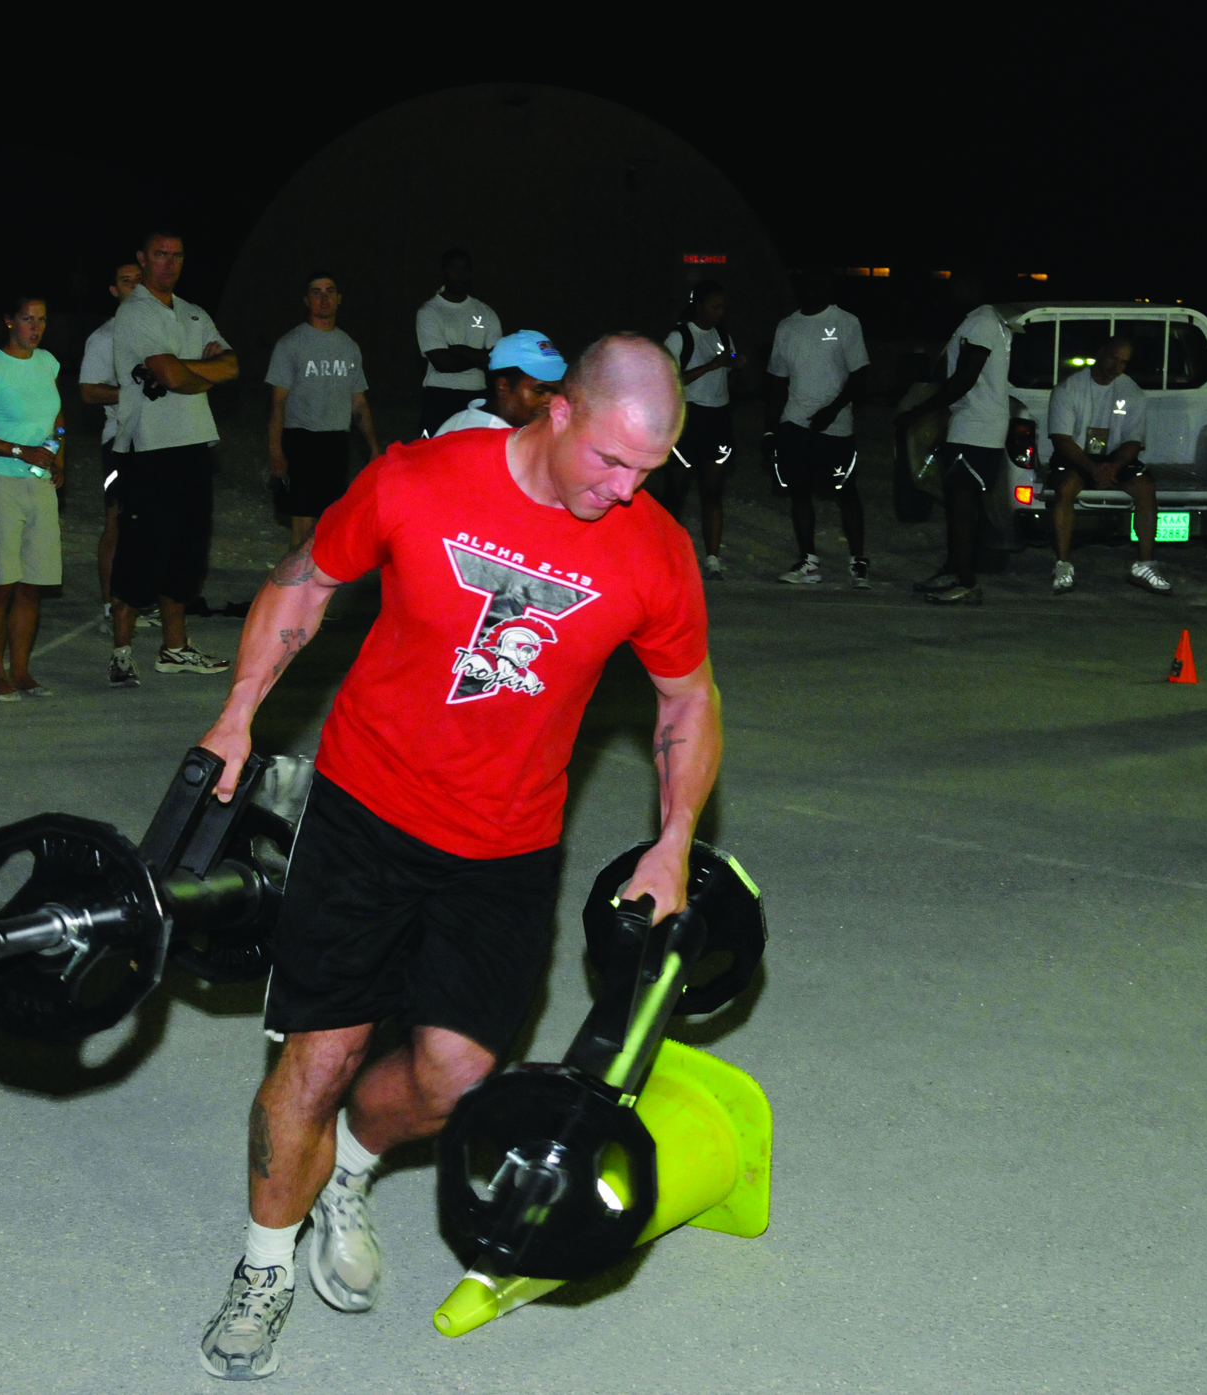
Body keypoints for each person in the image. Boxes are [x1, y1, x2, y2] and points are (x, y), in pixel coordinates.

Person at [189, 333, 718, 1380]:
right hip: (363, 816)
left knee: (456, 1077)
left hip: (507, 847)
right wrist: (239, 714)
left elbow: (687, 700)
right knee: (321, 1056)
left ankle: (347, 1168)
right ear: (555, 411)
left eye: (647, 473)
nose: (623, 492)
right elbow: (303, 585)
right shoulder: (419, 480)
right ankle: (264, 1262)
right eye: (610, 462)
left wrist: (673, 842)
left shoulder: (651, 549)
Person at [108, 230, 238, 679]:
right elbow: (172, 376)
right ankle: (121, 653)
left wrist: (184, 371)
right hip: (150, 449)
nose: (169, 263)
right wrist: (194, 372)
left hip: (194, 445)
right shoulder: (135, 312)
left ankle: (175, 647)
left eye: (177, 256)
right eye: (160, 255)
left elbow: (232, 366)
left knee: (186, 552)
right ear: (142, 258)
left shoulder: (193, 312)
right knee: (141, 550)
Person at [0, 295, 65, 701]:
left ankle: (21, 671)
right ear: (9, 321)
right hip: (1, 484)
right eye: (26, 319)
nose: (34, 328)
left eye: (41, 319)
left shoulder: (48, 363)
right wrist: (19, 450)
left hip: (39, 484)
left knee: (32, 584)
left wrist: (57, 456)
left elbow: (56, 418)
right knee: (0, 584)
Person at [897, 300, 1014, 605]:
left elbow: (965, 377)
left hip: (977, 427)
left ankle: (966, 582)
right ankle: (954, 570)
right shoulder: (980, 320)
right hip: (971, 425)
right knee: (958, 503)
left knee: (963, 505)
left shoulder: (983, 322)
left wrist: (920, 410)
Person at [767, 272, 872, 586]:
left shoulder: (846, 322)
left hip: (835, 424)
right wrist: (770, 431)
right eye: (806, 283)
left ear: (827, 287)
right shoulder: (787, 326)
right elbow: (776, 380)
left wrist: (833, 409)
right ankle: (808, 563)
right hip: (796, 421)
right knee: (800, 491)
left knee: (845, 491)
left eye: (817, 283)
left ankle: (858, 562)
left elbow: (860, 375)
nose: (811, 288)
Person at [1047, 335, 1170, 595]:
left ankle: (1144, 565)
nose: (1117, 367)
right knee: (1066, 487)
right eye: (1113, 358)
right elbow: (1061, 439)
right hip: (1076, 456)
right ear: (1101, 352)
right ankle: (1063, 565)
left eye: (1124, 363)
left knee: (1146, 487)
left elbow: (1133, 441)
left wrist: (1113, 466)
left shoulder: (1132, 392)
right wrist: (1091, 468)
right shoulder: (1069, 388)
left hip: (1114, 458)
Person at [265, 274, 378, 547]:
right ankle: (293, 587)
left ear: (339, 299)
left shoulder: (349, 346)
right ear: (306, 300)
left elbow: (359, 402)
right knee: (303, 527)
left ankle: (315, 588)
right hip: (301, 440)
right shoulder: (290, 344)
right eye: (316, 292)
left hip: (335, 443)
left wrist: (373, 446)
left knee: (327, 526)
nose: (324, 298)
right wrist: (276, 450)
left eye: (330, 291)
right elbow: (277, 403)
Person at [655, 281, 739, 579]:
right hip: (688, 419)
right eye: (714, 306)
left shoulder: (723, 335)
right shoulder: (679, 337)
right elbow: (668, 380)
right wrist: (711, 366)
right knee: (675, 491)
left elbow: (727, 368)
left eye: (722, 307)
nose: (719, 312)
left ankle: (713, 559)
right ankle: (666, 556)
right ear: (699, 305)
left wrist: (734, 363)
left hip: (717, 419)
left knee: (713, 491)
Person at [81, 260, 143, 634]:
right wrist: (134, 393)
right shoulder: (105, 337)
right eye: (125, 281)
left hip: (157, 443)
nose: (134, 287)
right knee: (116, 521)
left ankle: (135, 600)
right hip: (119, 444)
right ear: (114, 290)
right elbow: (88, 391)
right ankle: (110, 604)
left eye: (139, 280)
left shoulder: (161, 332)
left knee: (150, 524)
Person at [415, 249, 502, 437]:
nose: (460, 275)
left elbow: (496, 360)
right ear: (443, 272)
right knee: (433, 458)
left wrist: (461, 350)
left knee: (471, 459)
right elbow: (442, 363)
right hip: (440, 396)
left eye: (465, 269)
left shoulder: (485, 312)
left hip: (477, 396)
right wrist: (480, 357)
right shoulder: (430, 312)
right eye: (454, 269)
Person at [431, 330, 565, 435]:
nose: (552, 402)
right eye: (540, 391)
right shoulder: (470, 440)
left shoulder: (519, 429)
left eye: (556, 391)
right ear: (503, 386)